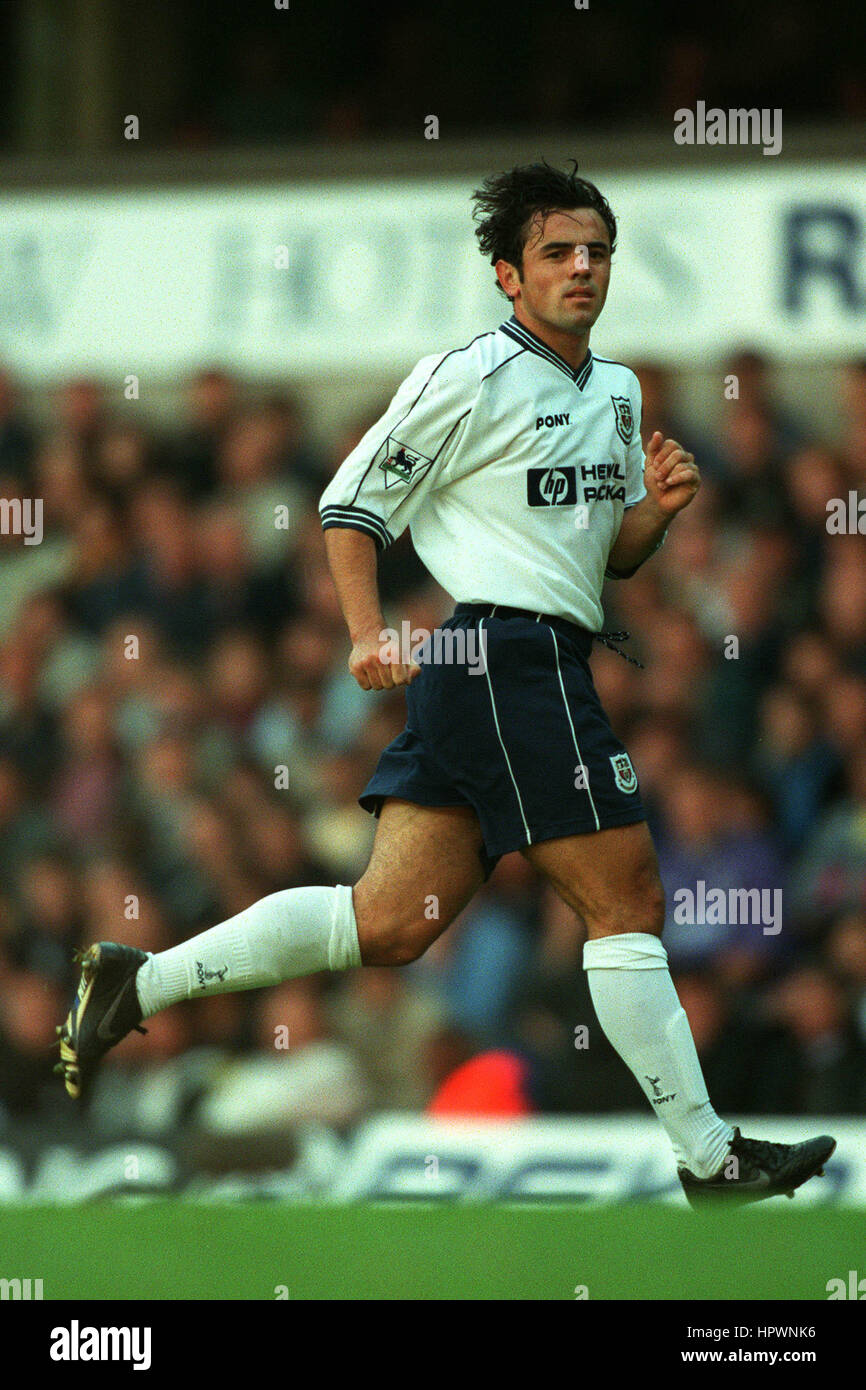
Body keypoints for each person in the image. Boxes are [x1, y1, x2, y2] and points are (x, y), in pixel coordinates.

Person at [57, 160, 834, 1205]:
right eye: (556, 252)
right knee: (629, 898)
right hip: (505, 659)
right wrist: (367, 631)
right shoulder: (465, 374)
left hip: (531, 658)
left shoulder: (616, 391)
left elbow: (595, 560)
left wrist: (653, 515)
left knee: (387, 922)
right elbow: (347, 504)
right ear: (507, 274)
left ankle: (132, 980)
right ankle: (707, 1155)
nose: (581, 268)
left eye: (596, 251)